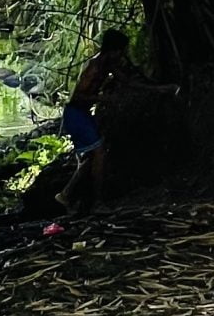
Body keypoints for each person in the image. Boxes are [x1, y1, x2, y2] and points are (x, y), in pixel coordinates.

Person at [58, 29, 168, 219]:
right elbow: (78, 96)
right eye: (120, 51)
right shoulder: (94, 67)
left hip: (82, 114)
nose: (122, 55)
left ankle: (67, 195)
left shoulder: (108, 65)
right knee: (99, 152)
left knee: (92, 157)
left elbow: (128, 83)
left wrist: (158, 89)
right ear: (112, 49)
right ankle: (97, 202)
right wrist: (103, 99)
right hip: (75, 114)